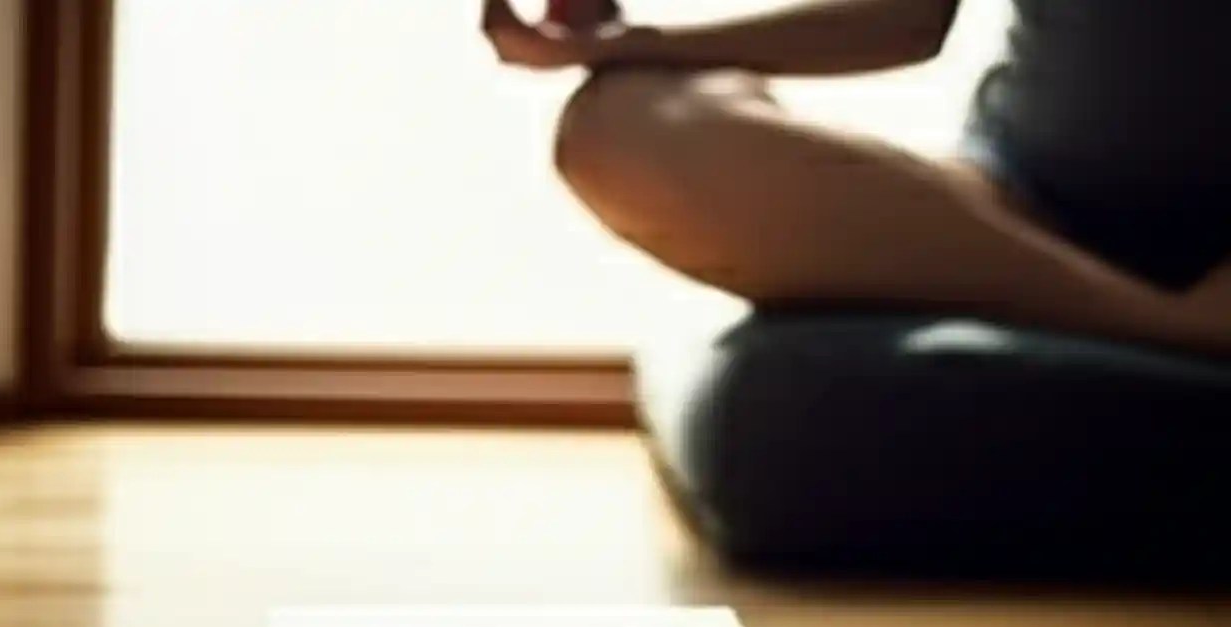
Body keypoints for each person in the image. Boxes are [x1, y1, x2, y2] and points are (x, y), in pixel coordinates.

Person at [481, 0, 1231, 354]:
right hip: (1022, 207)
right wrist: (626, 45)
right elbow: (905, 21)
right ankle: (1162, 326)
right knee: (627, 126)